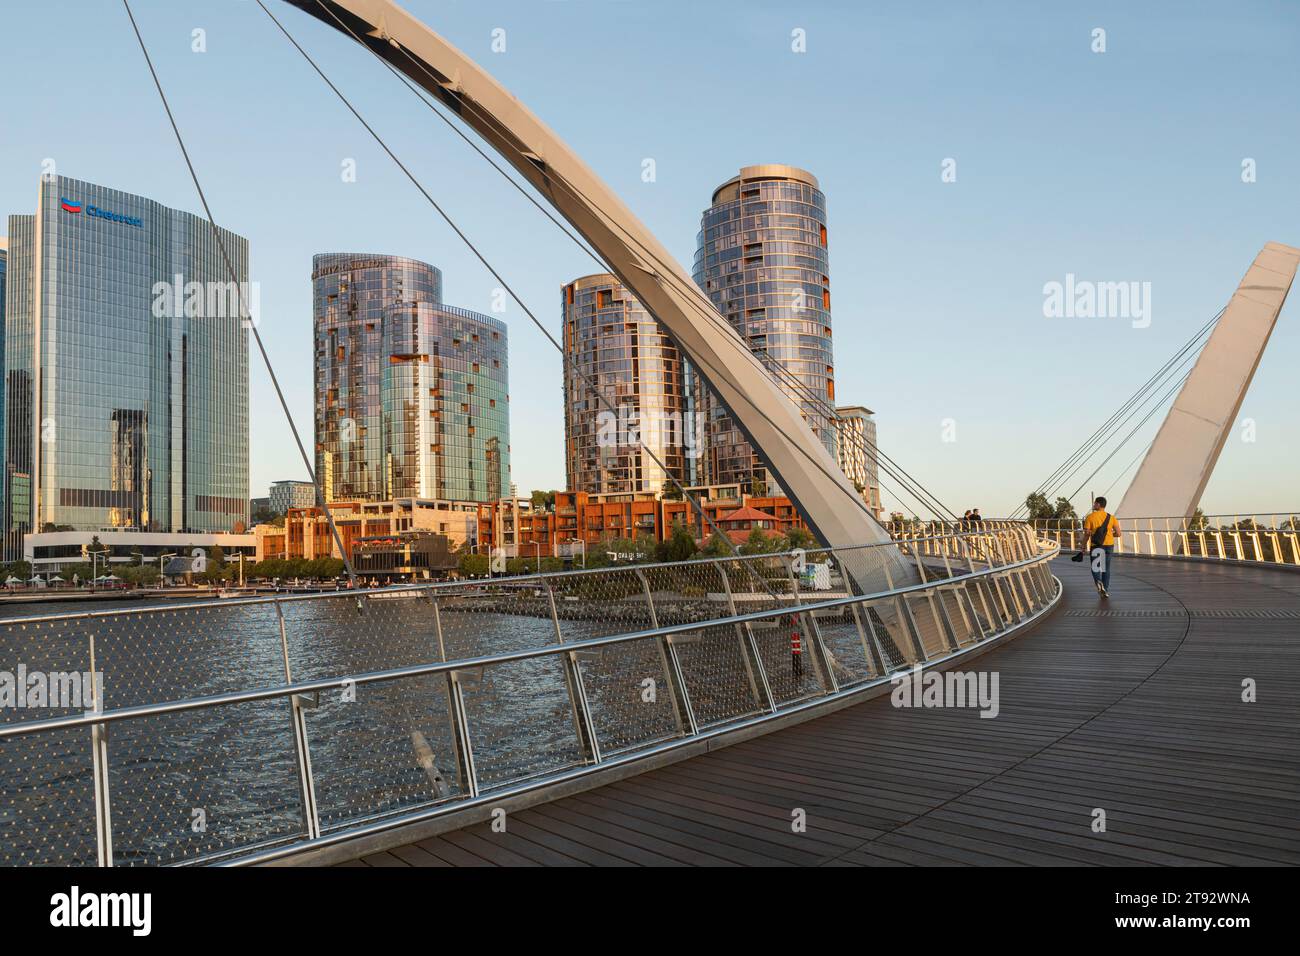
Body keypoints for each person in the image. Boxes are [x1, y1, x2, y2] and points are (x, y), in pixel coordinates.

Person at [1082, 496, 1121, 597]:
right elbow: (1118, 533)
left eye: (1095, 503)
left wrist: (1083, 546)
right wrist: (1108, 534)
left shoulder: (1090, 517)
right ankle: (1105, 591)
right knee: (1106, 569)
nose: (1093, 505)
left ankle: (1098, 583)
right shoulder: (1111, 517)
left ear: (1098, 504)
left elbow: (1086, 533)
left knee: (1096, 568)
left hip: (1097, 546)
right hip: (1109, 545)